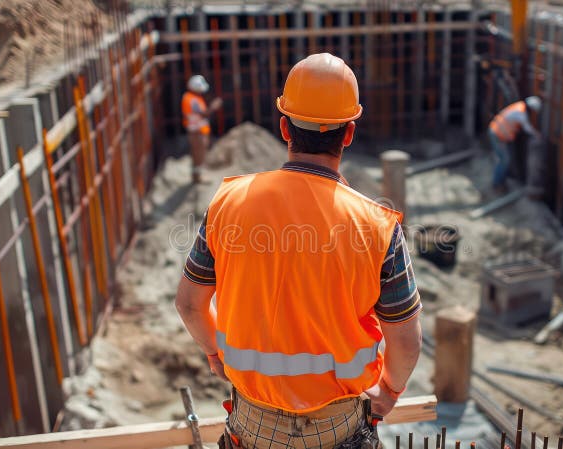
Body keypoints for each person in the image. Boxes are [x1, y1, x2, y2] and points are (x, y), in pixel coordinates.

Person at [175, 53, 422, 449]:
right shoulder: (378, 226)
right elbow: (406, 341)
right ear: (349, 133)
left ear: (284, 127)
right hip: (338, 428)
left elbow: (190, 304)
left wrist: (215, 353)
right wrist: (390, 391)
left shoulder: (227, 203)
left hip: (252, 427)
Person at [488, 96, 542, 191]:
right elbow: (527, 128)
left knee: (506, 159)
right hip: (497, 134)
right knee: (504, 160)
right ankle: (497, 184)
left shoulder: (519, 106)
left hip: (499, 133)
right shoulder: (520, 113)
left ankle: (502, 181)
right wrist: (537, 135)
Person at [182, 74, 222, 183]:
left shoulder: (191, 98)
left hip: (197, 131)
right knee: (199, 154)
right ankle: (197, 177)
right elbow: (203, 114)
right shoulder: (192, 100)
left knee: (198, 154)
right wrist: (213, 106)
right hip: (197, 132)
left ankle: (197, 176)